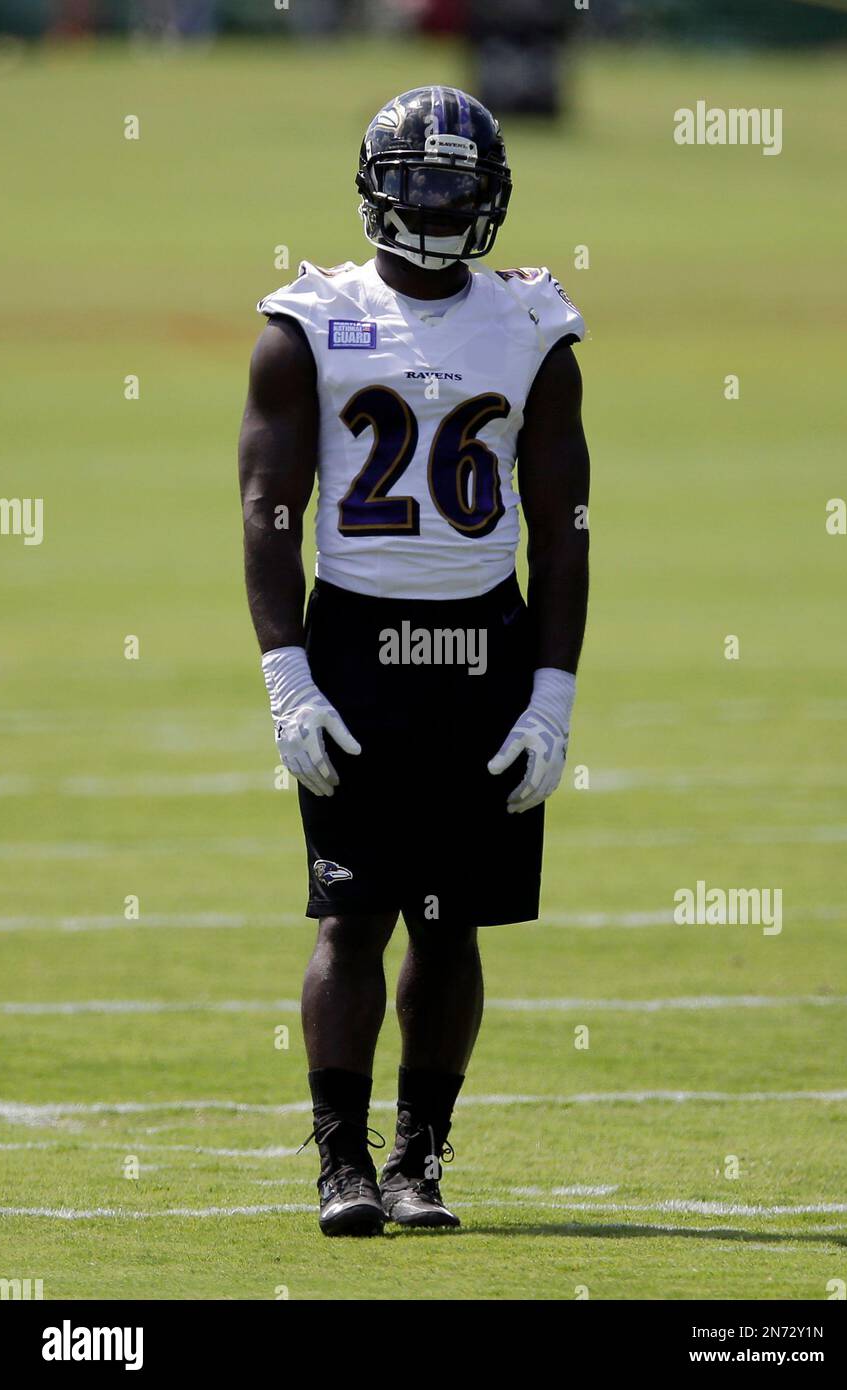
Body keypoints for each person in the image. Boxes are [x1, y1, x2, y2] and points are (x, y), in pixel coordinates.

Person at [238, 86, 591, 1236]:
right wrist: (286, 671)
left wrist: (551, 690)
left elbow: (564, 524)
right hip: (357, 650)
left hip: (483, 651)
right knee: (349, 916)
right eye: (419, 182)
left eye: (455, 184)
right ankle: (341, 1164)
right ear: (376, 190)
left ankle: (418, 1162)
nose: (436, 203)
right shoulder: (308, 319)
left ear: (487, 198)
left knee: (452, 924)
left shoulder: (533, 324)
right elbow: (267, 508)